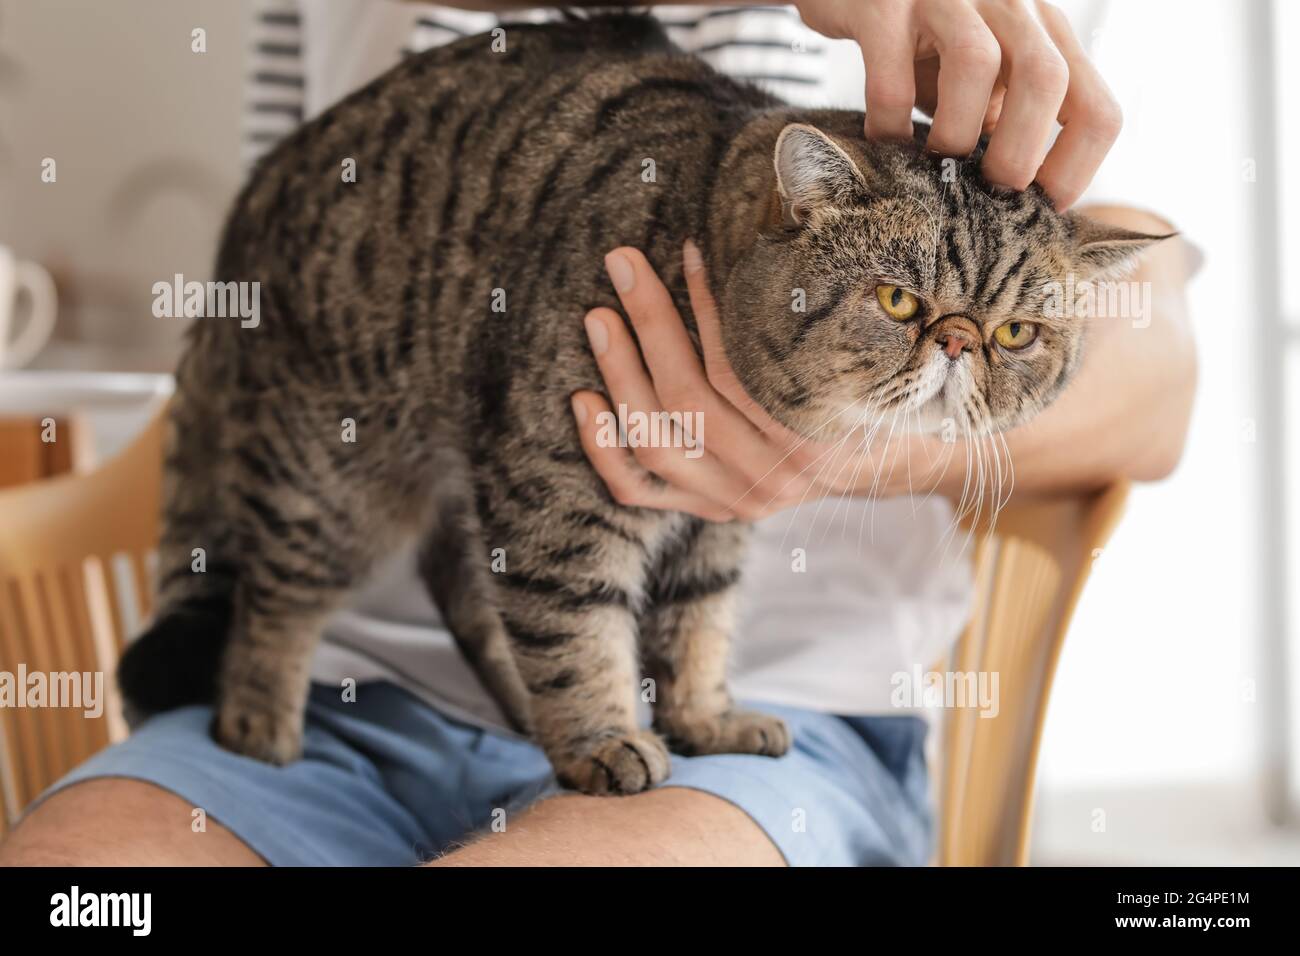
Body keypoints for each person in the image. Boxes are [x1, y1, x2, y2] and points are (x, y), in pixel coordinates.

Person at [0, 0, 1197, 867]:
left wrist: (853, 449)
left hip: (775, 742)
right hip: (341, 706)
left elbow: (1155, 380)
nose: (948, 348)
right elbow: (293, 283)